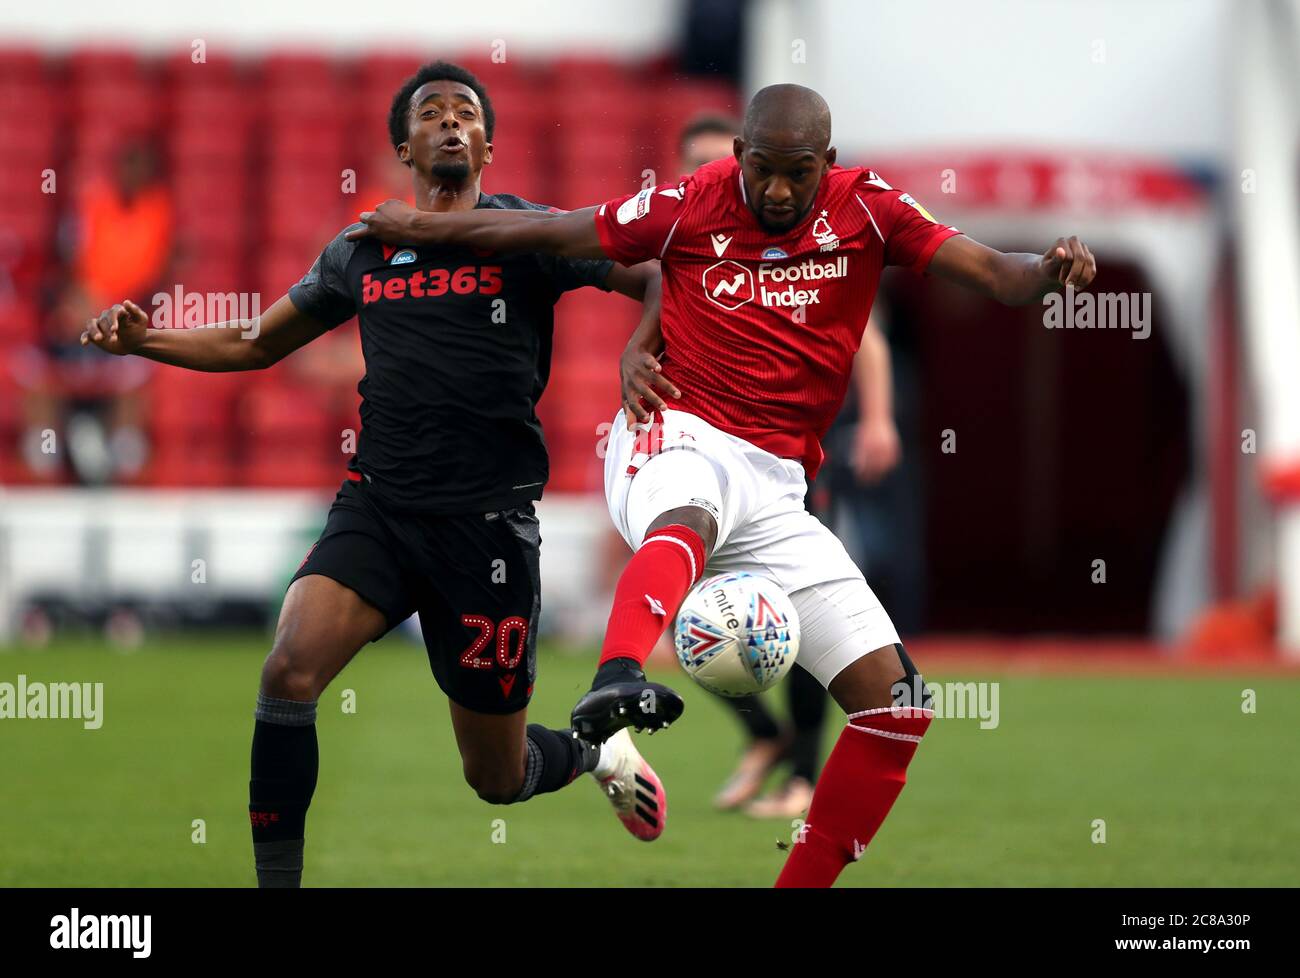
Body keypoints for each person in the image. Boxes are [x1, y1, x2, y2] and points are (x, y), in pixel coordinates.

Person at [347, 82, 1097, 887]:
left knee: (900, 704)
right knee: (692, 508)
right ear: (738, 156)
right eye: (762, 170)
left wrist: (1047, 271)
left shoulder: (870, 208)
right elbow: (554, 232)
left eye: (796, 174)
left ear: (828, 165)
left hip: (776, 487)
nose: (776, 190)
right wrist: (424, 227)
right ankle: (616, 681)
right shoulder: (693, 201)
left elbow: (994, 270)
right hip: (675, 431)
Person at [81, 61, 668, 887]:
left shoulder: (529, 232)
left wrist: (642, 339)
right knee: (289, 669)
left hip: (487, 530)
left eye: (467, 112)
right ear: (405, 145)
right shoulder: (363, 249)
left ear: (489, 145)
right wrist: (146, 340)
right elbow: (255, 342)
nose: (452, 122)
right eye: (433, 113)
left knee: (495, 778)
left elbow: (653, 273)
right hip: (381, 508)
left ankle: (593, 754)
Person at [664, 114, 905, 817]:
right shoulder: (683, 241)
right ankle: (766, 737)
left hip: (783, 457)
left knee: (795, 619)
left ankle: (803, 773)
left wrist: (882, 418)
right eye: (701, 167)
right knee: (691, 620)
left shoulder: (809, 243)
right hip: (697, 461)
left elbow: (867, 338)